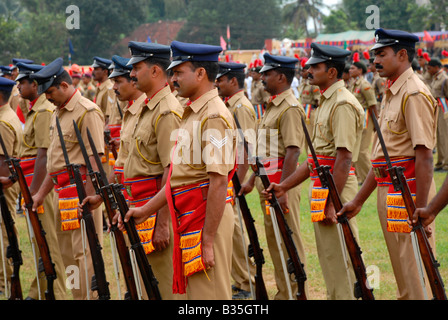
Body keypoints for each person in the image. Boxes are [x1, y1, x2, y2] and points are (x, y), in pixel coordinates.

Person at [118, 40, 237, 300]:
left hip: (207, 217)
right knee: (194, 297)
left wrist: (207, 241)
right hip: (190, 214)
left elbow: (218, 183)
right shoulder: (192, 113)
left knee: (210, 297)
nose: (173, 79)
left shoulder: (213, 116)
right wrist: (144, 211)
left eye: (178, 72)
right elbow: (176, 179)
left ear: (201, 73)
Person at [338, 28, 438, 300]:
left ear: (402, 55)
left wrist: (421, 207)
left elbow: (424, 155)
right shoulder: (392, 91)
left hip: (409, 192)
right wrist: (358, 201)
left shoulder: (414, 93)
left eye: (382, 54)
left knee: (416, 268)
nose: (375, 61)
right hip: (388, 190)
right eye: (374, 56)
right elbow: (383, 158)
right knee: (403, 270)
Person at [264, 43, 365, 299]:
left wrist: (332, 203)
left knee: (340, 257)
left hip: (336, 189)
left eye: (315, 67)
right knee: (330, 257)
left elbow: (343, 158)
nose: (308, 71)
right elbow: (314, 160)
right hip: (324, 187)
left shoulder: (342, 104)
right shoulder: (327, 101)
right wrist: (284, 185)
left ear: (331, 72)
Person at [30, 57, 106, 300]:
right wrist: (40, 195)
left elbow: (95, 161)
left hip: (81, 194)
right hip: (62, 194)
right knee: (67, 256)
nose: (48, 97)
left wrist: (90, 196)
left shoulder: (87, 111)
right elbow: (56, 164)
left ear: (64, 86)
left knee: (84, 254)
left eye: (50, 92)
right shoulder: (57, 112)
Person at [239, 52, 306, 300]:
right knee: (276, 240)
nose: (262, 78)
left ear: (281, 76)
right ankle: (284, 292)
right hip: (268, 184)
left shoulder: (289, 108)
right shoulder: (273, 105)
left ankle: (296, 292)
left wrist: (285, 188)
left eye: (267, 74)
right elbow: (262, 150)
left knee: (289, 241)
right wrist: (249, 181)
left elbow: (293, 151)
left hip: (280, 183)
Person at [15, 62, 67, 300]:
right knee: (39, 240)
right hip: (31, 184)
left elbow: (44, 155)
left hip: (40, 188)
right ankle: (39, 291)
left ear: (34, 85)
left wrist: (34, 193)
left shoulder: (44, 111)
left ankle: (54, 293)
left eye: (22, 82)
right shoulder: (35, 109)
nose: (18, 86)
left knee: (48, 243)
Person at [215, 61, 257, 299]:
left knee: (236, 233)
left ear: (233, 80)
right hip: (230, 178)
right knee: (231, 232)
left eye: (221, 79)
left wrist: (235, 185)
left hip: (233, 180)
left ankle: (246, 282)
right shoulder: (231, 105)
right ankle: (241, 280)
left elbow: (247, 150)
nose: (217, 83)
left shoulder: (240, 107)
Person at [0, 77, 23, 298]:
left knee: (4, 229)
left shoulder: (3, 122)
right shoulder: (7, 116)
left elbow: (3, 165)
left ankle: (5, 277)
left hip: (4, 185)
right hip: (8, 183)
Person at [348, 58, 378, 185]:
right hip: (356, 120)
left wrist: (377, 123)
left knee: (362, 150)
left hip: (366, 120)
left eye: (353, 68)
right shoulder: (353, 84)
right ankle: (361, 176)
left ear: (360, 70)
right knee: (355, 149)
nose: (350, 70)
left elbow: (372, 104)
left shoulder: (365, 85)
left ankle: (369, 178)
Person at [426, 58, 448, 172]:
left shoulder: (444, 78)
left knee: (444, 136)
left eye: (429, 68)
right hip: (437, 108)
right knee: (438, 136)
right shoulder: (435, 77)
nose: (427, 70)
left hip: (443, 108)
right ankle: (440, 162)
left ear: (436, 67)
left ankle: (446, 164)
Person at [298, 60, 321, 137]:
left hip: (311, 112)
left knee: (310, 135)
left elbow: (318, 100)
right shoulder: (303, 82)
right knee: (303, 135)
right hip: (303, 111)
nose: (301, 73)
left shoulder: (313, 84)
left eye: (303, 71)